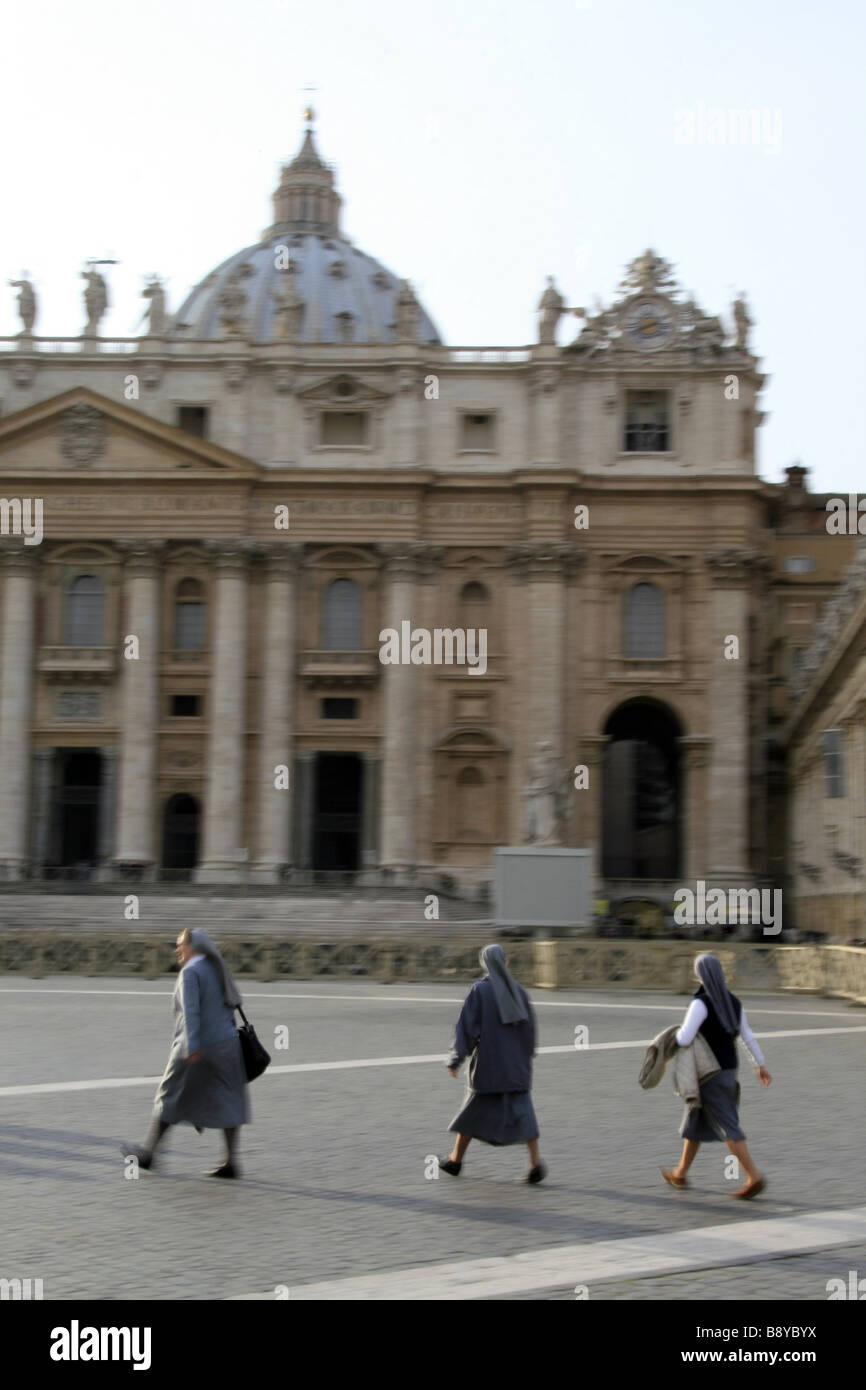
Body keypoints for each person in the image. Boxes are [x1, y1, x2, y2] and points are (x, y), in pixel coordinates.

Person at [122, 928, 250, 1178]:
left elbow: (191, 1013)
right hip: (226, 1044)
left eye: (181, 945)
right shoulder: (217, 968)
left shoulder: (190, 972)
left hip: (197, 1046)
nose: (177, 949)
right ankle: (231, 1162)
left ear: (194, 947)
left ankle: (148, 1153)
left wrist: (191, 1047)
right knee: (229, 1099)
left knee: (170, 1095)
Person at [660, 952, 771, 1199]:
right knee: (695, 1119)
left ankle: (753, 1176)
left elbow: (685, 1038)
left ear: (700, 975)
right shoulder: (733, 1001)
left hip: (707, 1072)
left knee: (727, 1124)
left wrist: (673, 1036)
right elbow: (747, 1035)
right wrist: (760, 1064)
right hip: (729, 1068)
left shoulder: (701, 1003)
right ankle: (680, 1173)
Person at [439, 944, 546, 1184]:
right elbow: (530, 1032)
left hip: (489, 1067)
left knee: (471, 1114)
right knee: (524, 1115)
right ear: (505, 962)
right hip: (517, 1068)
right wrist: (525, 1058)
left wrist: (455, 1059)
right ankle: (535, 1162)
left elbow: (466, 1029)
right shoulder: (519, 991)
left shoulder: (480, 991)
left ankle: (455, 1160)